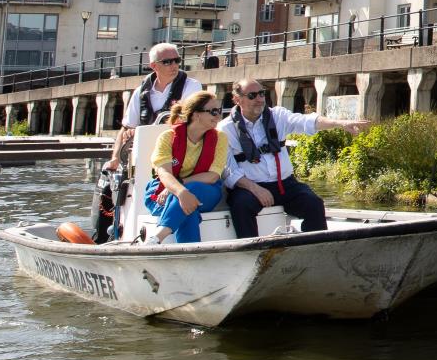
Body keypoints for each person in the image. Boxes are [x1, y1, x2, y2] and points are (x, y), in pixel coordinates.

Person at [220, 79, 361, 238]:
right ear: (237, 100)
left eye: (261, 94)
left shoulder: (277, 116)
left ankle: (315, 249)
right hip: (249, 186)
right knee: (241, 206)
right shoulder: (225, 129)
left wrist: (339, 123)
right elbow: (228, 171)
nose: (259, 99)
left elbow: (307, 121)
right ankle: (251, 253)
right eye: (252, 95)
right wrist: (256, 189)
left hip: (284, 184)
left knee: (313, 204)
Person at [92, 43, 202, 242]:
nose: (174, 65)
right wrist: (115, 158)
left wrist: (143, 130)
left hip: (178, 154)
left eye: (177, 60)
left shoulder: (191, 87)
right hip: (143, 158)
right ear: (154, 66)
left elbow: (189, 121)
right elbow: (126, 127)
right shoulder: (141, 91)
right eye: (167, 61)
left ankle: (162, 234)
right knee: (111, 186)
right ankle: (106, 238)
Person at [142, 91, 229, 245]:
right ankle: (191, 258)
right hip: (161, 194)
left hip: (205, 191)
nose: (219, 116)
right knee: (189, 209)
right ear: (196, 115)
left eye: (219, 111)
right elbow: (164, 174)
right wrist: (180, 192)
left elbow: (213, 176)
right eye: (213, 111)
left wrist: (179, 189)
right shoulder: (167, 138)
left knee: (192, 190)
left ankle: (157, 238)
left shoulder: (220, 138)